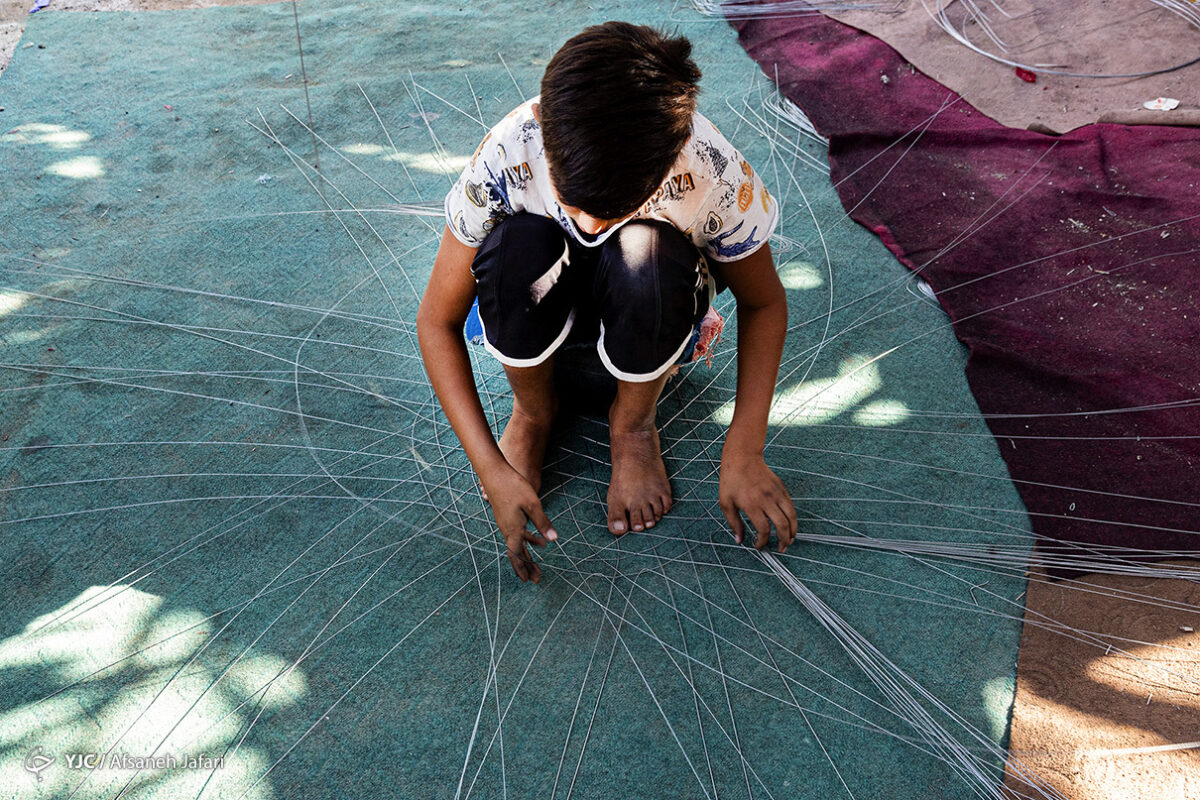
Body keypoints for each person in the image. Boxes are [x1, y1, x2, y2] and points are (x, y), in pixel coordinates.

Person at [417, 21, 797, 583]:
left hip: (650, 334)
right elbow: (436, 320)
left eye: (616, 206)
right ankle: (533, 412)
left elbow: (764, 304)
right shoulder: (509, 150)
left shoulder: (705, 166)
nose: (591, 227)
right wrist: (489, 466)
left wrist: (745, 448)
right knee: (521, 245)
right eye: (575, 202)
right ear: (543, 128)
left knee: (644, 251)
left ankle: (634, 426)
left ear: (673, 155)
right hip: (541, 341)